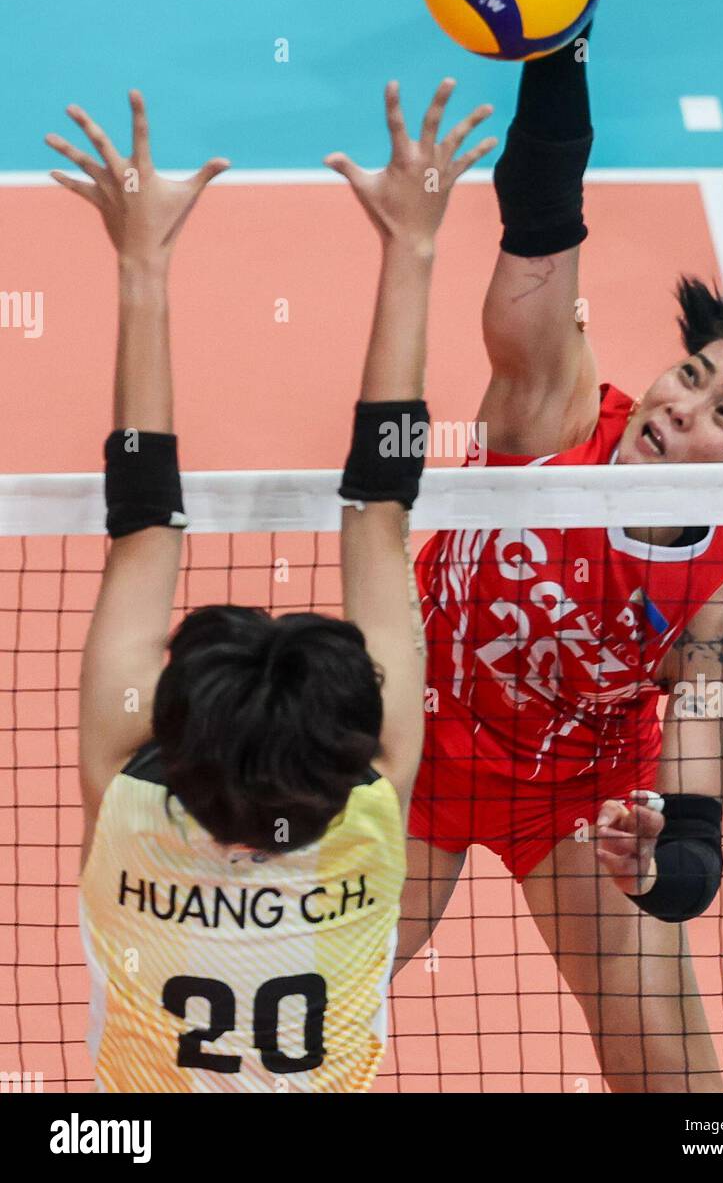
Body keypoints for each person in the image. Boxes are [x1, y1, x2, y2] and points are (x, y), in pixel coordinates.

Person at [334, 0, 723, 1094]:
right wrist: (562, 27)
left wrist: (660, 859)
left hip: (573, 799)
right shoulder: (560, 414)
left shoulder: (713, 601)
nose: (690, 405)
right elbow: (546, 212)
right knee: (308, 1027)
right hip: (413, 748)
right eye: (695, 374)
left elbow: (701, 831)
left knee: (682, 1085)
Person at [46, 80, 494, 1091]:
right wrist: (416, 249)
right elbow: (377, 513)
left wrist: (142, 261)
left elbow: (141, 523)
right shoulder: (376, 805)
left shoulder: (130, 801)